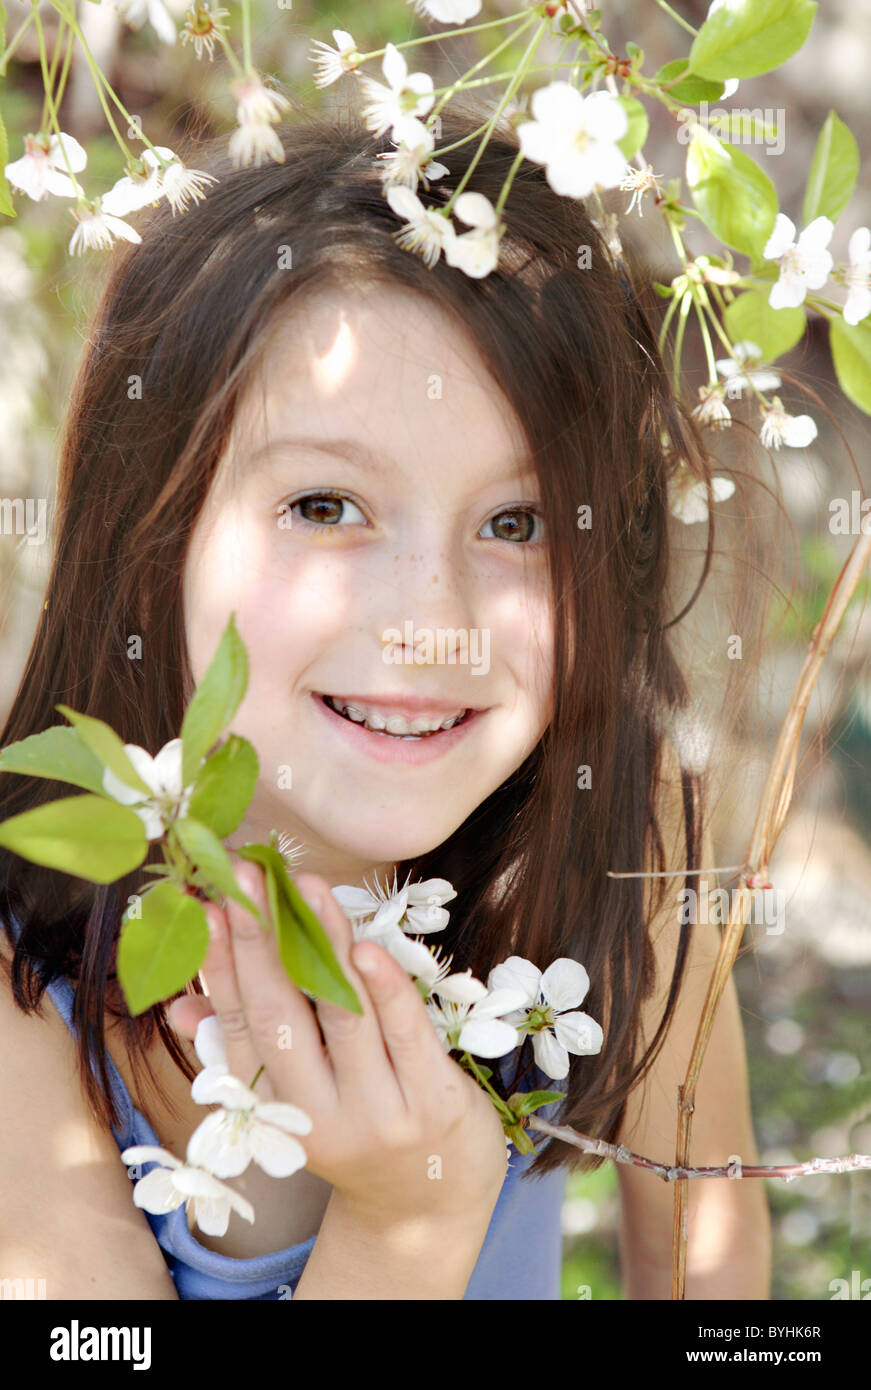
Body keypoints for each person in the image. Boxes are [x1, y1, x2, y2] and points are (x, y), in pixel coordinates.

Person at [0, 100, 771, 1299]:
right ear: (152, 529)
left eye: (516, 523)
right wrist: (408, 1221)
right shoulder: (20, 1009)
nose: (432, 618)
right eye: (324, 506)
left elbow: (712, 1278)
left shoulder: (626, 863)